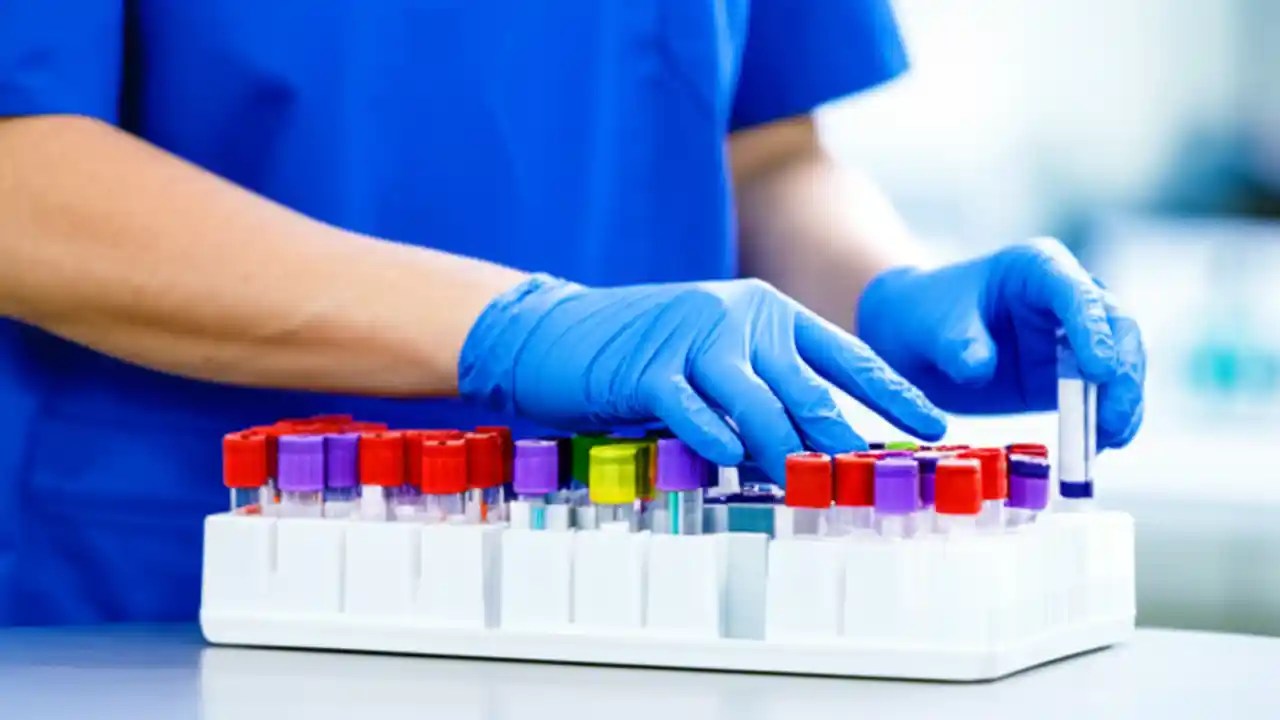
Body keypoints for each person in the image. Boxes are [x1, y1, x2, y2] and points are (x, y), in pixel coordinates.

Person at [0, 1, 1144, 625]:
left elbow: (763, 152)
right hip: (178, 594)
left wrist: (880, 298)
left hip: (639, 583)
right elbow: (21, 181)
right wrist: (507, 324)